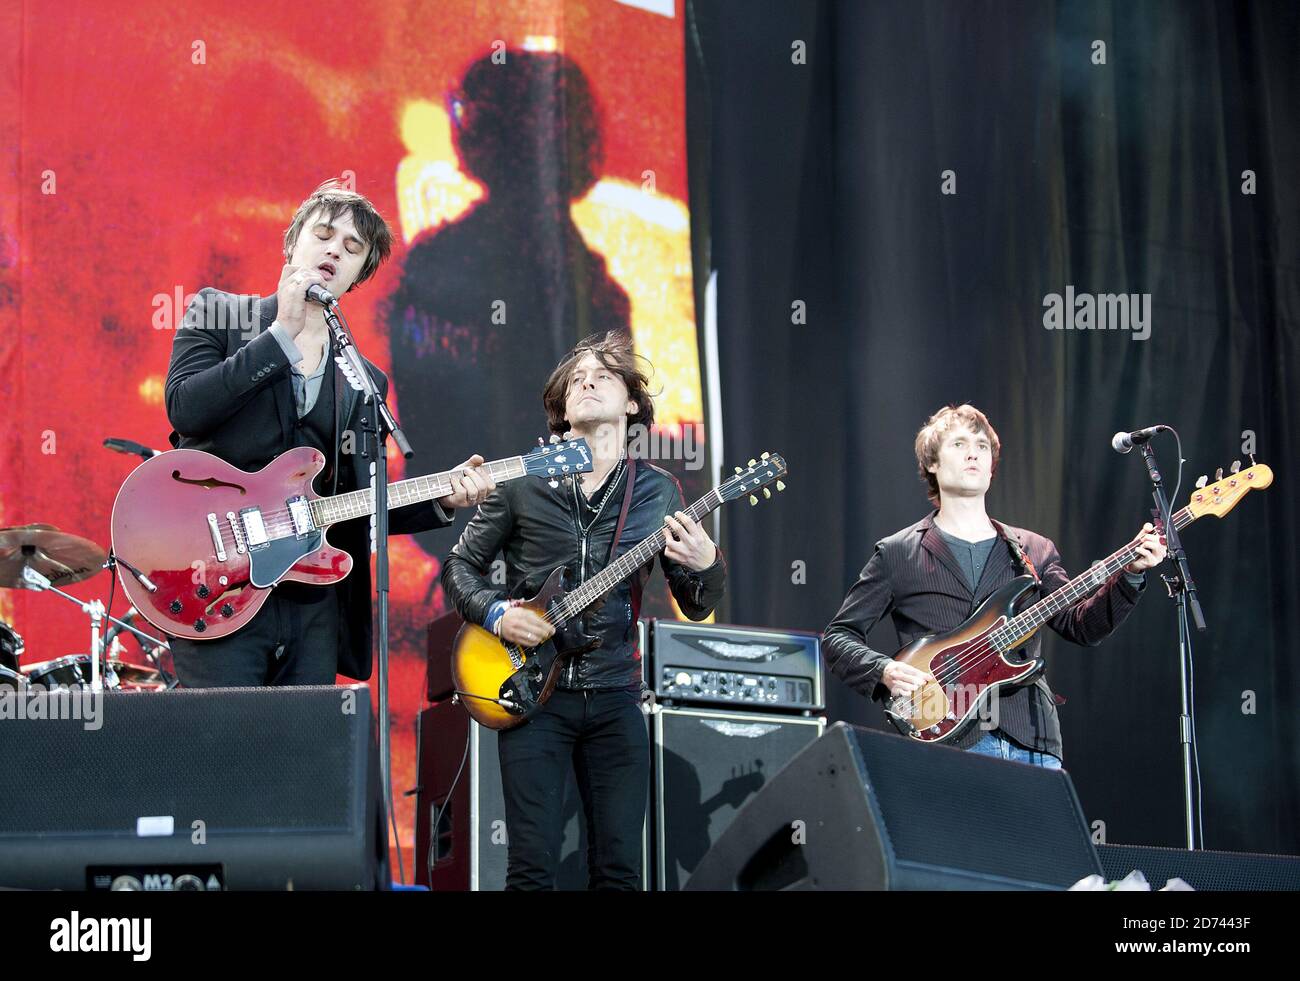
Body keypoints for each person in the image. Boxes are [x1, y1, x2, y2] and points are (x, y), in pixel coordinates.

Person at [164, 179, 495, 687]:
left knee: (307, 758)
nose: (334, 250)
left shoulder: (364, 379)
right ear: (293, 241)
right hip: (215, 577)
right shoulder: (220, 313)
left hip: (312, 599)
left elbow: (360, 499)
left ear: (359, 274)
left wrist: (442, 500)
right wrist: (280, 337)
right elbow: (186, 408)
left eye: (352, 248)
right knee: (224, 748)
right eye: (323, 235)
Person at [441, 331, 726, 888]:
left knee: (619, 871)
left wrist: (709, 562)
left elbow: (696, 605)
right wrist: (498, 614)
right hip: (531, 691)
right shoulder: (521, 479)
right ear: (561, 408)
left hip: (617, 696)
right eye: (576, 378)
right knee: (531, 868)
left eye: (603, 375)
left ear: (632, 404)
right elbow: (458, 567)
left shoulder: (659, 491)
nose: (587, 381)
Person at [823, 404, 1166, 767]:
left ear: (991, 467)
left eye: (982, 446)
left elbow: (1082, 626)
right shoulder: (897, 553)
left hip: (1031, 737)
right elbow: (838, 637)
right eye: (959, 444)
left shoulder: (1032, 549)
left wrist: (1130, 575)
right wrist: (885, 671)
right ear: (932, 464)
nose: (974, 452)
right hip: (942, 741)